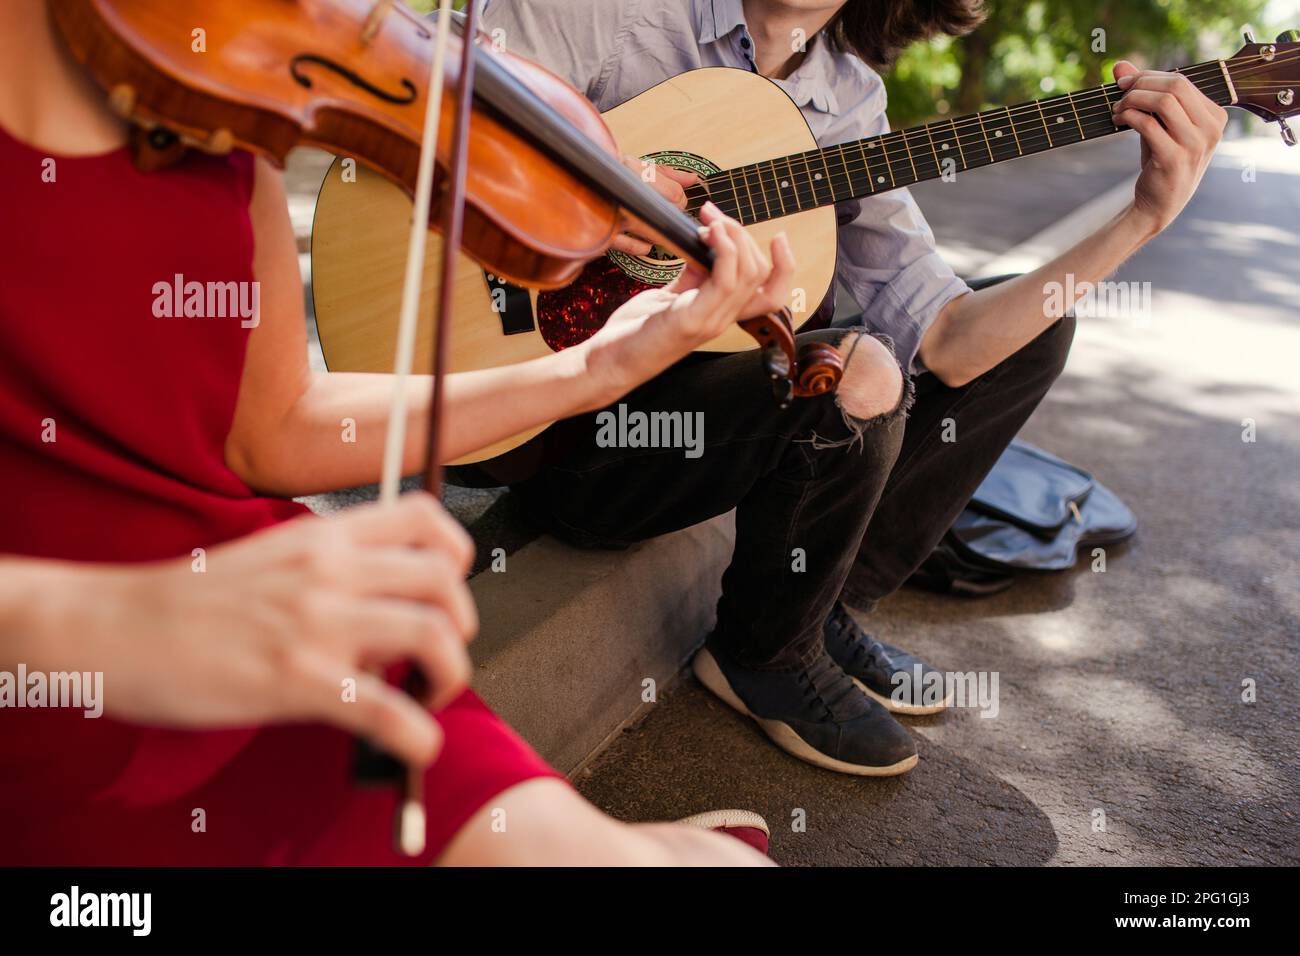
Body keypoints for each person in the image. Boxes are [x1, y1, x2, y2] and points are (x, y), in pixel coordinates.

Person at [0, 0, 795, 865]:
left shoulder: (215, 66)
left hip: (264, 615)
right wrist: (111, 622)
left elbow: (270, 429)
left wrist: (593, 370)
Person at [473, 0, 1228, 774]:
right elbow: (439, 94)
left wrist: (1139, 220)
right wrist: (609, 181)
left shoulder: (846, 101)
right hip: (541, 421)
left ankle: (810, 612)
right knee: (857, 369)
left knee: (1036, 329)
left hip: (677, 436)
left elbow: (950, 345)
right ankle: (766, 655)